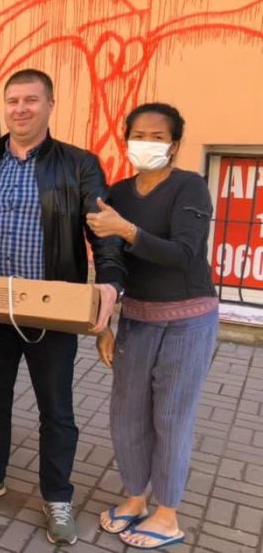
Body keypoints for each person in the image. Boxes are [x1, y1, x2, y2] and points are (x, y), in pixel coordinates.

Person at [0, 69, 125, 546]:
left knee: (56, 408)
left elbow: (104, 230)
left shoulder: (78, 164)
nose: (20, 109)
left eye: (31, 100)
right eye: (12, 100)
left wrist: (110, 283)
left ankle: (57, 496)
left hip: (51, 307)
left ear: (50, 105)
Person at [87, 103, 217, 550]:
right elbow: (110, 262)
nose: (147, 143)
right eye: (138, 135)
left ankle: (167, 514)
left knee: (170, 417)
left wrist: (126, 230)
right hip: (137, 319)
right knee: (126, 414)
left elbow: (184, 253)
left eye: (158, 137)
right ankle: (134, 497)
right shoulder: (118, 193)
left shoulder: (190, 186)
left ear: (175, 144)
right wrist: (104, 323)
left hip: (188, 319)